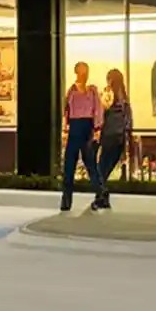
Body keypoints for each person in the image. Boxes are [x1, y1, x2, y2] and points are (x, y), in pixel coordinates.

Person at [61, 61, 104, 212]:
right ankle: (66, 201)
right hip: (74, 128)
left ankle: (100, 195)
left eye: (85, 72)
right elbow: (66, 111)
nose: (83, 75)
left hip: (87, 128)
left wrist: (97, 130)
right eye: (81, 72)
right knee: (69, 166)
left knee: (91, 164)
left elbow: (98, 110)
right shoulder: (71, 91)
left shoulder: (92, 91)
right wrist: (65, 130)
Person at [94, 68, 133, 210]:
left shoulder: (108, 96)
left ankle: (102, 196)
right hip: (119, 139)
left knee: (101, 169)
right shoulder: (124, 100)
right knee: (105, 169)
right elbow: (128, 121)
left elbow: (100, 115)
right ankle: (102, 197)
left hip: (109, 137)